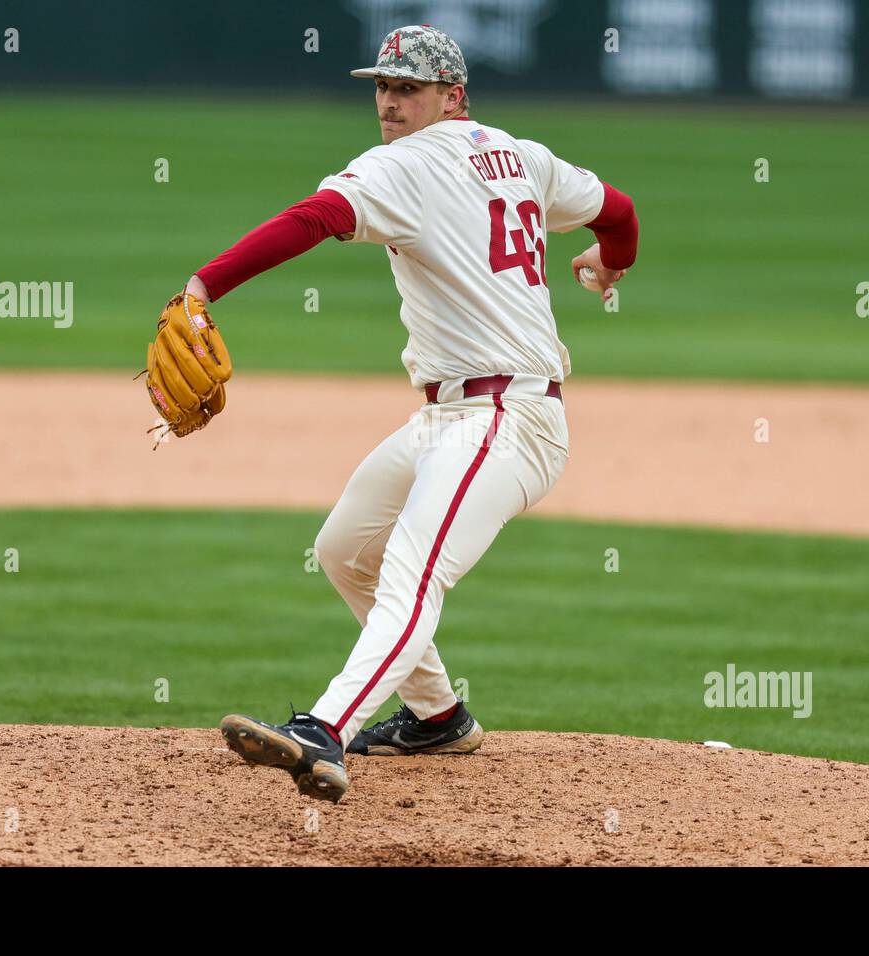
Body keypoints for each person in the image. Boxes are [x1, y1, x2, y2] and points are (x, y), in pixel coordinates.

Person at [205, 24, 639, 802]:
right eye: (382, 85)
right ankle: (435, 716)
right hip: (451, 415)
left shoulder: (401, 166)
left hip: (506, 418)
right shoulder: (523, 155)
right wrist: (610, 265)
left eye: (408, 87)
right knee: (344, 548)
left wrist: (205, 286)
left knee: (413, 570)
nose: (389, 100)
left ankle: (324, 730)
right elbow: (619, 209)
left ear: (452, 95)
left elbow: (310, 220)